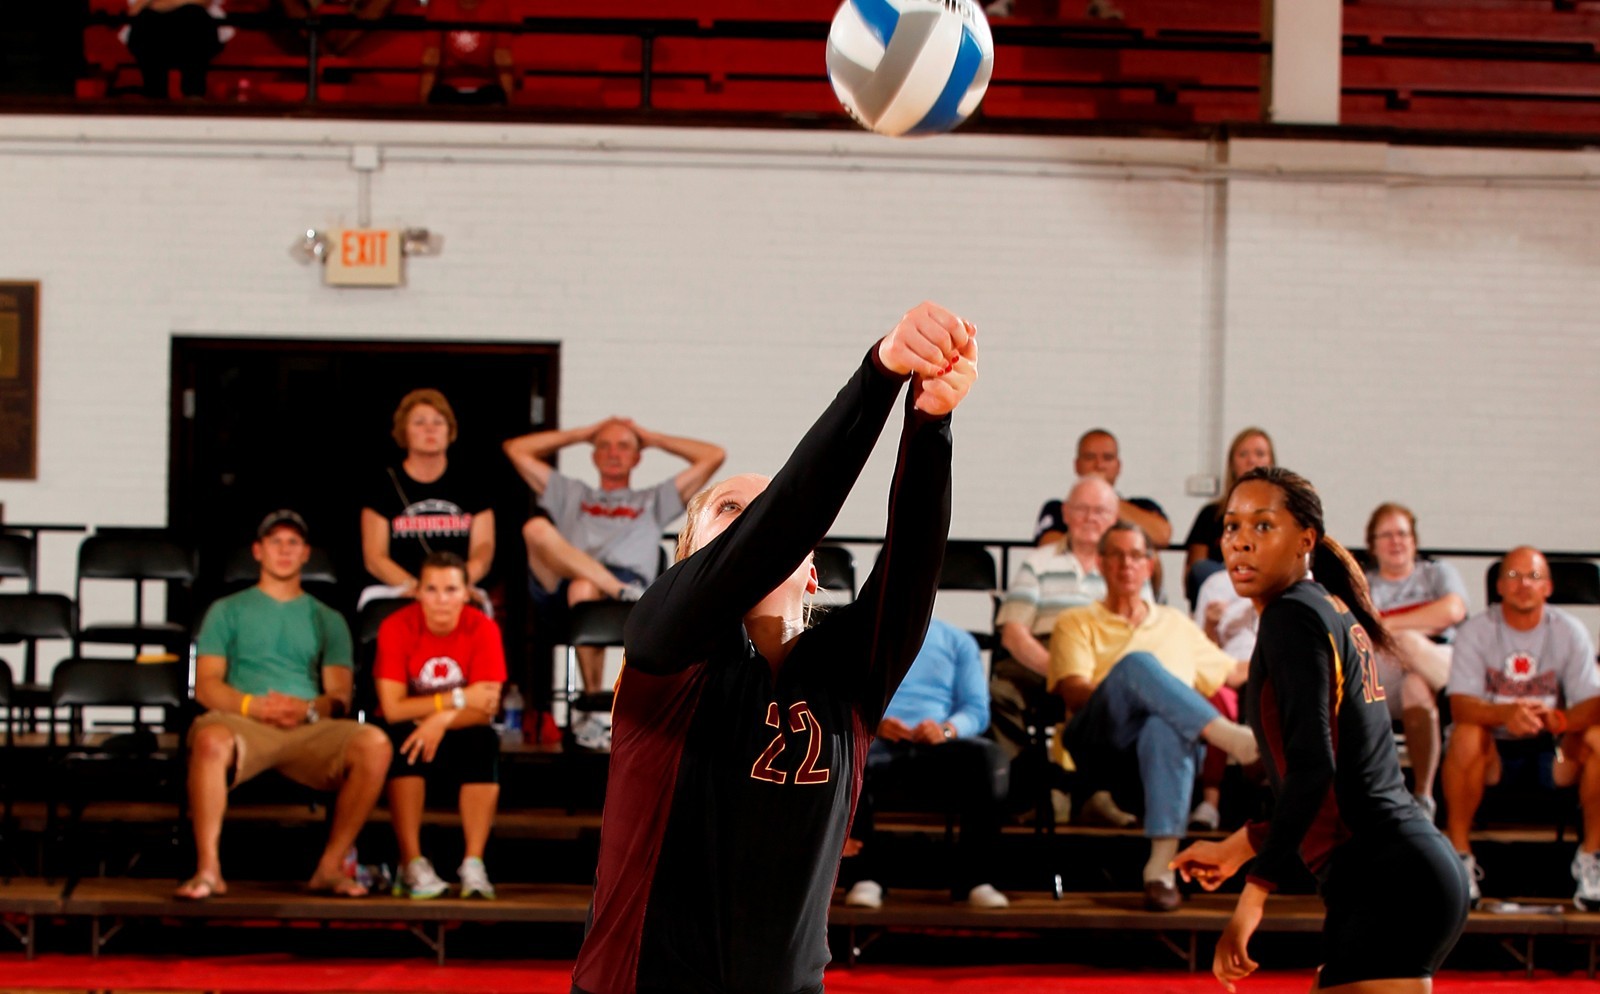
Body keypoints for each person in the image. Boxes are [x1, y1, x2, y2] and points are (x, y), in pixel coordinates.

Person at [569, 302, 976, 994]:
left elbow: (913, 562)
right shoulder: (661, 641)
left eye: (769, 516)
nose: (757, 525)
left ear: (812, 568)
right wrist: (878, 375)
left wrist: (930, 423)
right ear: (690, 554)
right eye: (731, 512)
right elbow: (787, 519)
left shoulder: (850, 671)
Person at [1172, 467, 1468, 993]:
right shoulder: (1322, 609)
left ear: (1305, 539)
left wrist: (1251, 900)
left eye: (1263, 527)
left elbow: (1314, 770)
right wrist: (1240, 847)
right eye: (1232, 526)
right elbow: (1337, 782)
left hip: (1390, 878)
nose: (1241, 540)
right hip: (1400, 871)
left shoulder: (1293, 617)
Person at [177, 510, 392, 900]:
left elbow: (340, 696)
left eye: (293, 542)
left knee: (374, 744)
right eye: (276, 541)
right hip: (243, 721)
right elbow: (206, 686)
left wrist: (306, 710)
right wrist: (251, 707)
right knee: (209, 740)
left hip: (307, 725)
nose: (284, 550)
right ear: (258, 551)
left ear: (306, 554)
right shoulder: (226, 610)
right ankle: (208, 869)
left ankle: (329, 867)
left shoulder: (327, 618)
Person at [1051, 521, 1254, 911]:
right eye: (1117, 556)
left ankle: (1160, 868)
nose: (1127, 564)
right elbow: (1075, 693)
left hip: (1161, 749)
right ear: (1101, 564)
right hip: (1098, 741)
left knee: (1164, 725)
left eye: (1136, 556)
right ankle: (1230, 738)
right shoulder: (1075, 621)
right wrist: (1139, 690)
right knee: (1138, 666)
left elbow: (1233, 672)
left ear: (1150, 565)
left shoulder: (1176, 623)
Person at [502, 414, 724, 751]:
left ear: (637, 457)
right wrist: (582, 432)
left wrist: (652, 437)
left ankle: (590, 711)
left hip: (630, 597)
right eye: (603, 445)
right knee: (536, 530)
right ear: (592, 454)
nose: (613, 451)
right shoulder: (571, 494)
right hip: (566, 594)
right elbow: (516, 449)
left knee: (584, 588)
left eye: (624, 446)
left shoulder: (652, 501)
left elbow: (713, 455)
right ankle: (608, 585)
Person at [1441, 545, 1600, 910]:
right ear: (1498, 586)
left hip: (1553, 749)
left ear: (1548, 587)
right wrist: (1506, 713)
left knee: (1597, 736)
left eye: (1533, 576)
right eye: (1513, 576)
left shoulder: (1570, 631)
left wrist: (1559, 719)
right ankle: (1460, 859)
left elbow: (1593, 702)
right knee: (1464, 734)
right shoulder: (1476, 631)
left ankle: (1592, 859)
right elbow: (1460, 704)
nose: (1523, 584)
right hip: (1493, 750)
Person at [843, 618, 1010, 910]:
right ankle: (865, 877)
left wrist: (946, 729)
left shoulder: (957, 641)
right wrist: (873, 724)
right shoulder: (862, 639)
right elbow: (840, 699)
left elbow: (976, 709)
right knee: (847, 755)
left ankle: (976, 880)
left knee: (990, 759)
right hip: (876, 740)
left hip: (938, 743)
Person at [374, 551, 506, 900]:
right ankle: (411, 863)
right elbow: (392, 708)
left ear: (466, 593)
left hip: (457, 729)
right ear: (418, 592)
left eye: (450, 589)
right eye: (432, 589)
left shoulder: (483, 628)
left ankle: (474, 863)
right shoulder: (395, 626)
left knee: (484, 742)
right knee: (401, 741)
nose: (441, 599)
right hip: (411, 730)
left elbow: (487, 707)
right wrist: (456, 700)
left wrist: (441, 719)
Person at [990, 475, 1122, 817]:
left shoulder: (1126, 566)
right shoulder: (1040, 561)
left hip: (1103, 659)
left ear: (1115, 515)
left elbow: (1140, 629)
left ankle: (1096, 794)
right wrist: (1062, 669)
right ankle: (1030, 794)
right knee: (1000, 693)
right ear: (1065, 512)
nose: (1091, 518)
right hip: (1041, 657)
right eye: (1082, 509)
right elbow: (1014, 633)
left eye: (1100, 511)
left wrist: (1082, 672)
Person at [1364, 502, 1468, 820]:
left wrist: (1388, 625)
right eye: (1387, 535)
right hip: (1387, 674)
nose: (1396, 542)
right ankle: (1465, 700)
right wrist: (1419, 623)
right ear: (1372, 544)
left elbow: (1452, 611)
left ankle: (1423, 797)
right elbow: (1360, 636)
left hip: (1439, 658)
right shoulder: (1363, 584)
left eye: (1403, 534)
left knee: (1417, 683)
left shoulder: (1437, 573)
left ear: (1414, 541)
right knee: (1410, 679)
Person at [361, 388, 495, 612]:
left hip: (458, 588)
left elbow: (483, 549)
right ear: (404, 431)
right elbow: (375, 556)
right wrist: (419, 589)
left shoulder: (474, 484)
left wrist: (455, 586)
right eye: (419, 422)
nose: (430, 428)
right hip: (399, 589)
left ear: (449, 431)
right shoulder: (383, 485)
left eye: (438, 422)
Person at [1189, 567, 1259, 831]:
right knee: (1214, 696)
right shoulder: (1215, 585)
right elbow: (1200, 653)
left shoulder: (1288, 579)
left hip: (1273, 671)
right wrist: (1209, 625)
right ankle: (1210, 802)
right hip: (1227, 671)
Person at [1033, 429, 1171, 550]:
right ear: (1077, 466)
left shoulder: (1141, 506)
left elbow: (1162, 536)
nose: (1099, 465)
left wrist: (1108, 502)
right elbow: (1050, 550)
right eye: (1090, 457)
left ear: (1118, 467)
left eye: (1108, 458)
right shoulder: (1057, 509)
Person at [1182, 427, 1274, 608]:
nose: (1252, 460)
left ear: (1271, 462)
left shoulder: (1282, 515)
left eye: (1260, 454)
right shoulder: (1211, 514)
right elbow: (1193, 572)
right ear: (1232, 463)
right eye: (1243, 454)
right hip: (1223, 595)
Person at [420, 0, 516, 105]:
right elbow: (432, 54)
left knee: (495, 96)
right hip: (448, 88)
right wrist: (423, 103)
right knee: (439, 96)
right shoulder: (439, 4)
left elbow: (502, 55)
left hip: (486, 89)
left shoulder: (497, 5)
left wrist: (509, 106)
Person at [125, 0, 225, 99]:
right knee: (146, 20)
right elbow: (134, 11)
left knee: (194, 15)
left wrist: (164, 4)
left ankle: (193, 96)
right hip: (155, 31)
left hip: (192, 31)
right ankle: (155, 97)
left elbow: (202, 1)